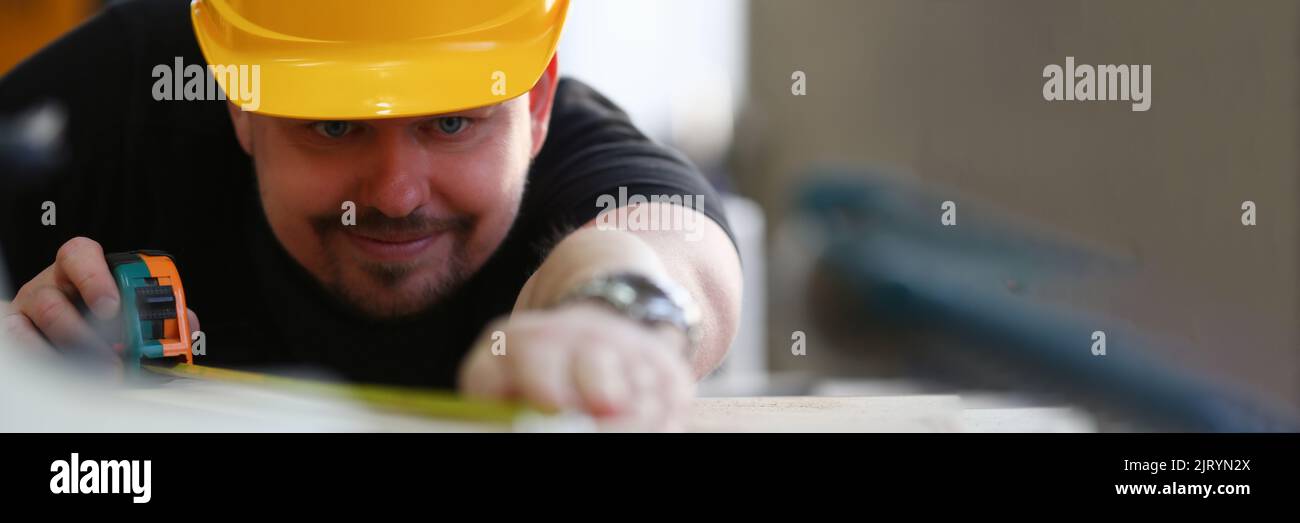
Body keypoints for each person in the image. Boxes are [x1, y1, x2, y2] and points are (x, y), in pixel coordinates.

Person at [0, 0, 742, 430]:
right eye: (333, 125)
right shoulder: (130, 93)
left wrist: (612, 314)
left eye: (451, 124)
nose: (395, 195)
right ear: (242, 103)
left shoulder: (587, 160)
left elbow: (671, 252)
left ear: (538, 103)